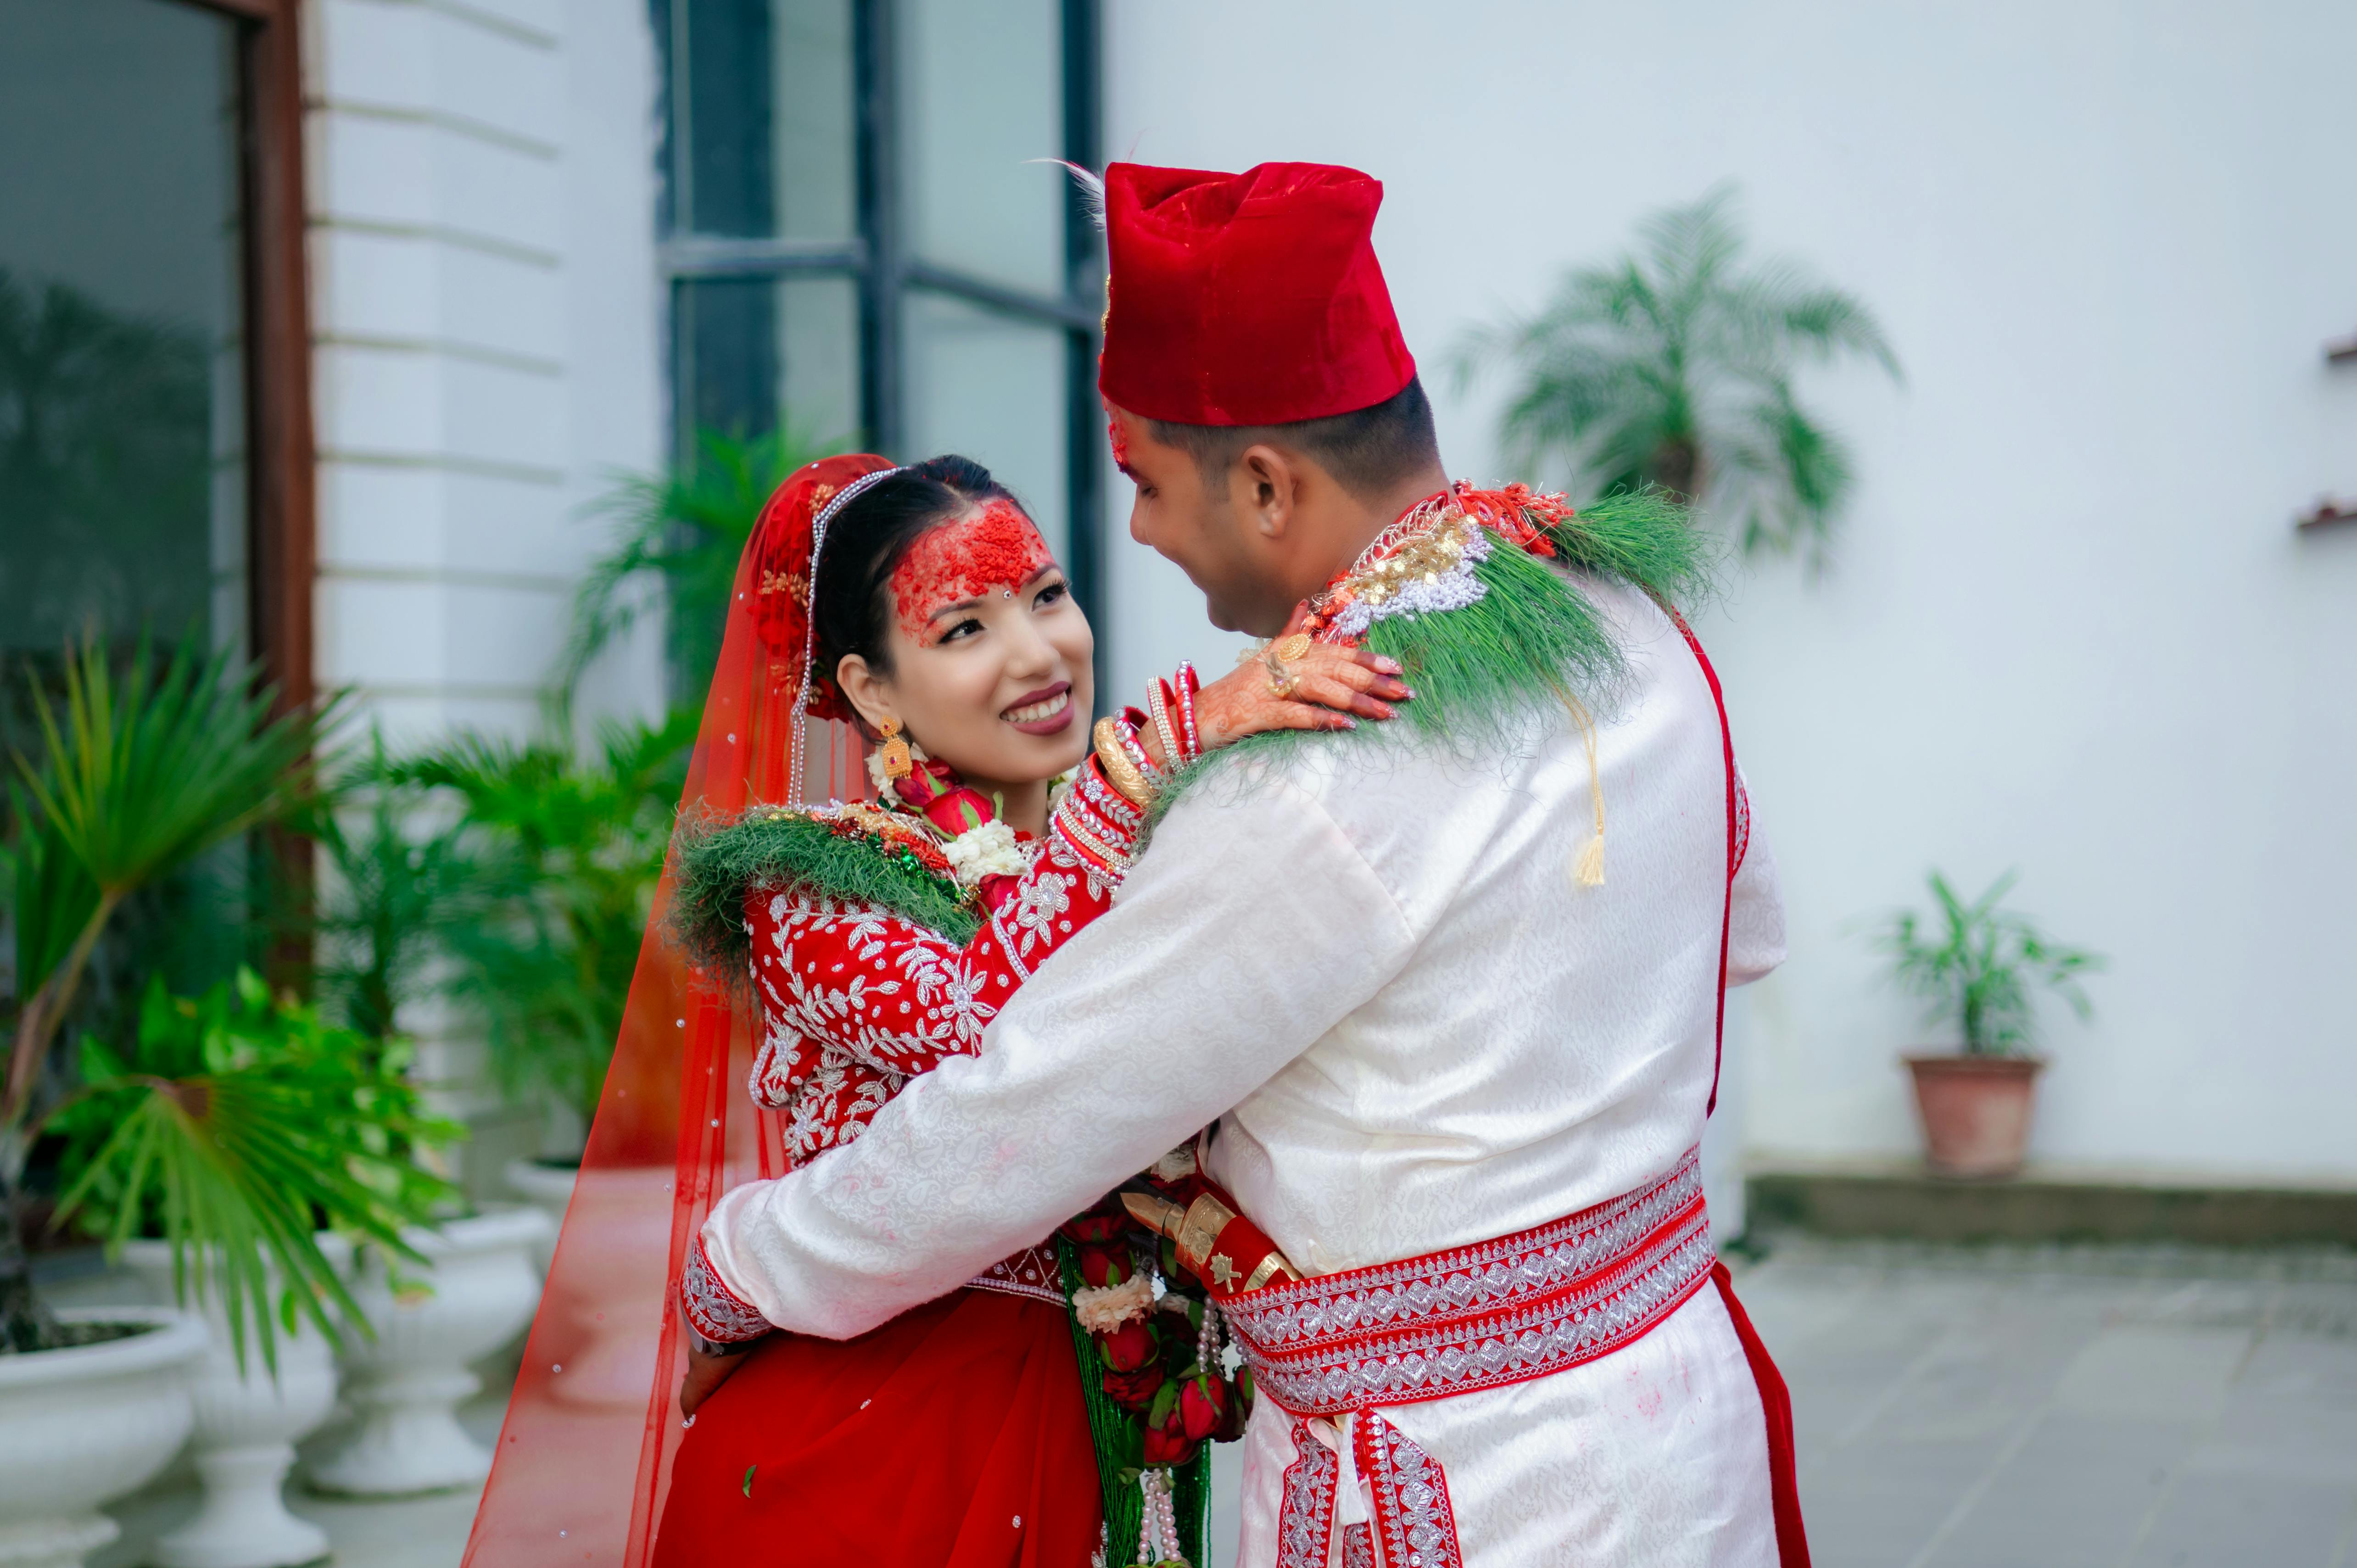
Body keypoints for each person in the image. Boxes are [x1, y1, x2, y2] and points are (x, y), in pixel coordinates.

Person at [690, 162, 1810, 1568]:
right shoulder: (1621, 614)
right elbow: (1743, 924)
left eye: (1144, 487)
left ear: (1267, 487)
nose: (1141, 535)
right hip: (1673, 1413)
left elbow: (1029, 1111)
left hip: (1459, 1481)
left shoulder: (1315, 762)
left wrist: (736, 1269)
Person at [466, 450, 1405, 1568]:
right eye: (964, 628)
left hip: (1087, 1433)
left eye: (1047, 596)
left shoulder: (1127, 854)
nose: (1037, 652)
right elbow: (998, 1035)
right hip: (872, 1451)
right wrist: (1154, 758)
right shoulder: (812, 884)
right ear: (869, 690)